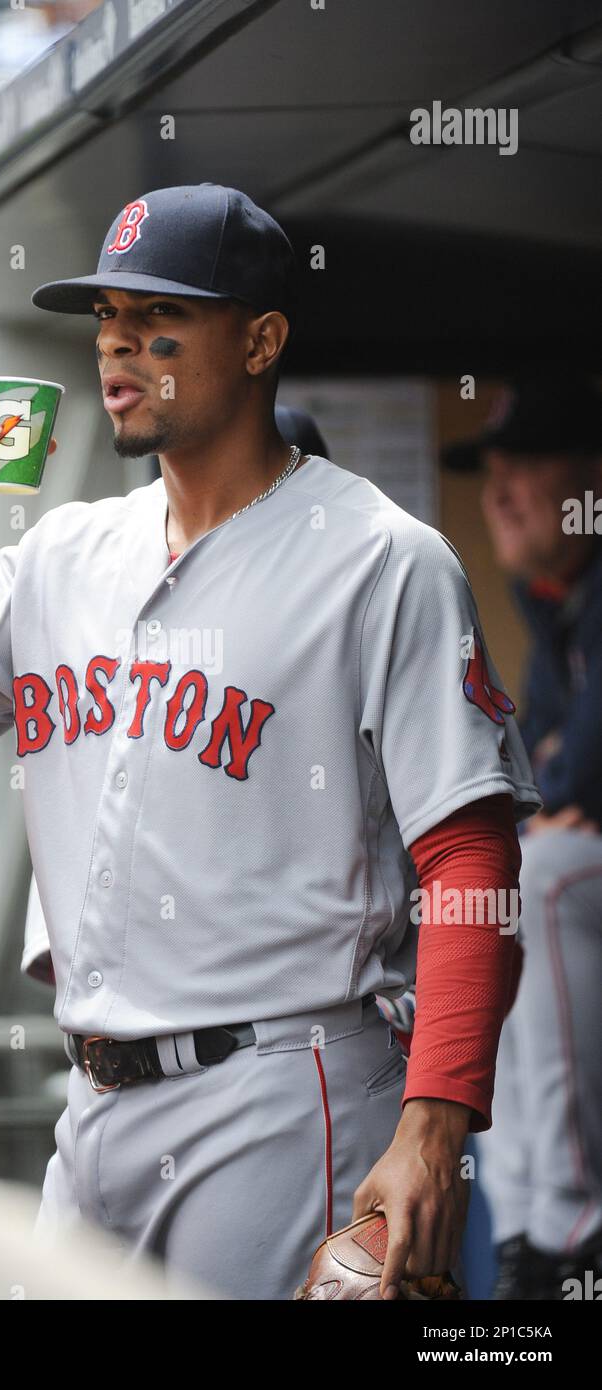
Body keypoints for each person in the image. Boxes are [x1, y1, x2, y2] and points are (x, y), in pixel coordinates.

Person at [0, 184, 542, 1300]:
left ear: (258, 340)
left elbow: (468, 860)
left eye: (160, 317)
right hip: (90, 1099)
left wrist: (434, 1128)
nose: (114, 340)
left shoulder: (381, 559)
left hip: (279, 1086)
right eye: (105, 314)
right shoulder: (62, 554)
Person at [443, 374, 602, 1298]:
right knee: (490, 882)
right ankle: (523, 1237)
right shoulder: (556, 607)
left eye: (528, 466)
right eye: (491, 469)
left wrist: (564, 793)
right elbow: (541, 787)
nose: (499, 492)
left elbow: (572, 774)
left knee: (538, 877)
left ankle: (572, 1230)